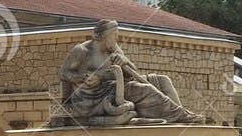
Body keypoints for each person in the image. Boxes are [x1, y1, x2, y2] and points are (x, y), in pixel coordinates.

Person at [58, 20, 205, 125]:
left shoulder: (113, 48)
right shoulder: (82, 51)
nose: (116, 39)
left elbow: (133, 72)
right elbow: (63, 73)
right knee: (145, 89)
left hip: (119, 84)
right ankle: (179, 115)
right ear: (103, 36)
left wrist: (124, 61)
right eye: (114, 35)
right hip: (97, 95)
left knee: (163, 80)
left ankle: (181, 114)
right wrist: (83, 77)